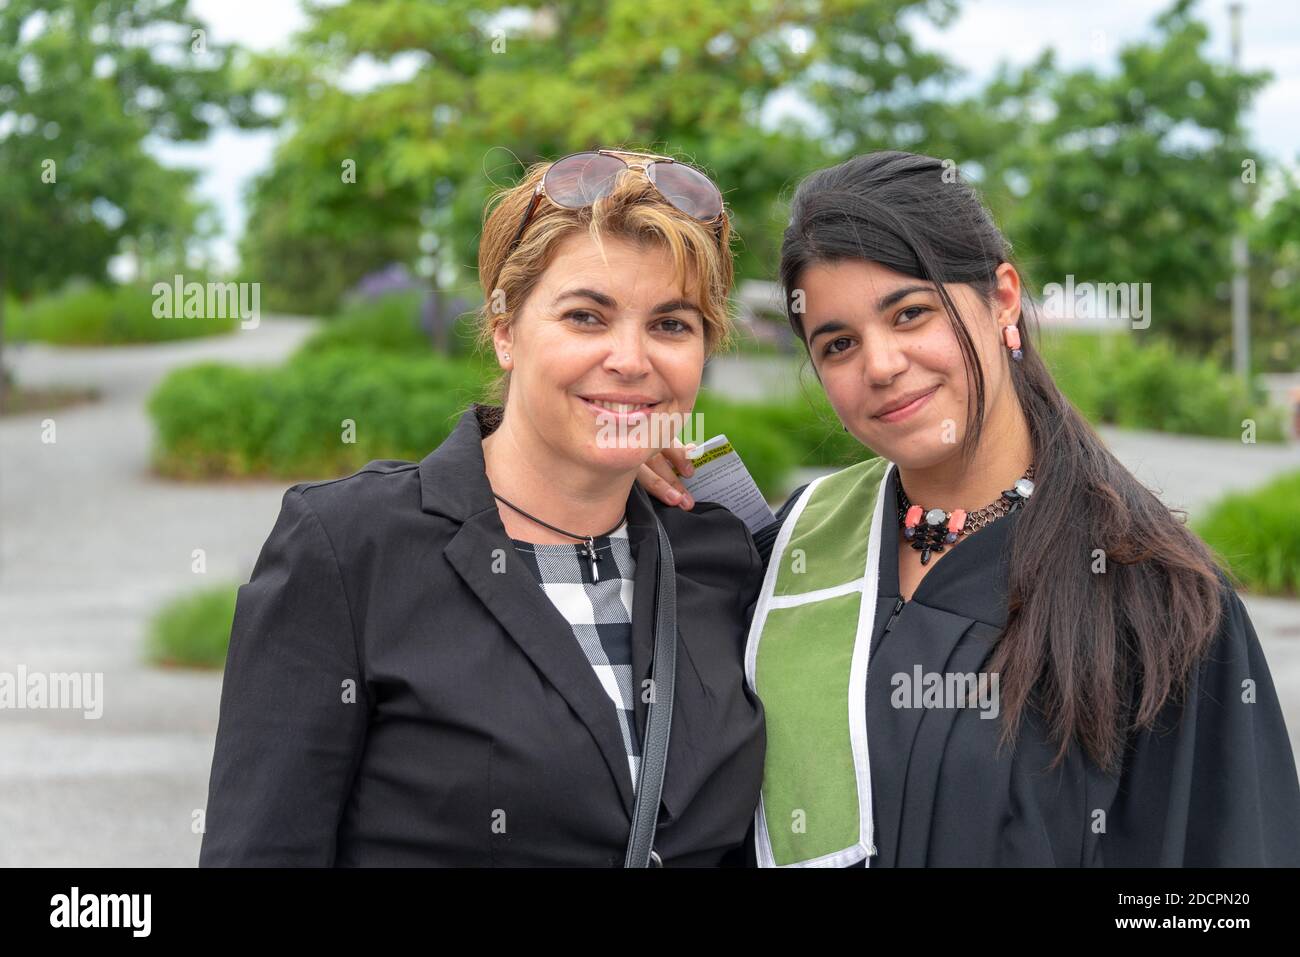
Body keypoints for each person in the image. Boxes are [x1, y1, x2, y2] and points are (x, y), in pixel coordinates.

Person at [639, 150, 1300, 866]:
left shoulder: (1158, 600)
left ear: (1003, 298)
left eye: (911, 312)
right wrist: (617, 470)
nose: (882, 364)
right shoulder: (795, 547)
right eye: (838, 344)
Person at [199, 149, 765, 866]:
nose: (631, 357)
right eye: (587, 316)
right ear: (504, 331)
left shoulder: (718, 553)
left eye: (671, 325)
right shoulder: (351, 547)